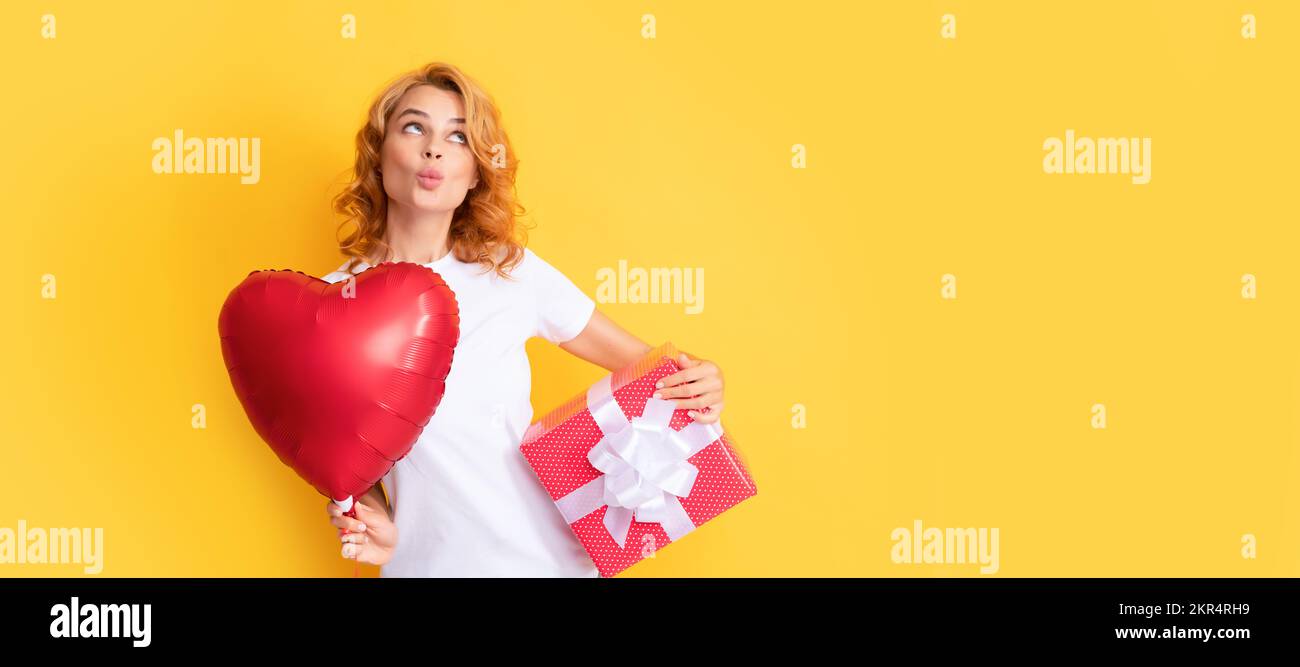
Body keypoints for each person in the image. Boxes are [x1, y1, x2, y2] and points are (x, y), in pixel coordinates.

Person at [319, 62, 726, 576]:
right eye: (415, 126)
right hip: (425, 565)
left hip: (548, 563)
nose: (434, 149)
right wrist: (372, 517)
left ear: (473, 175)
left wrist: (703, 379)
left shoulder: (510, 273)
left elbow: (657, 372)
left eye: (459, 136)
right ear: (379, 155)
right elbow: (337, 460)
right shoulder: (331, 302)